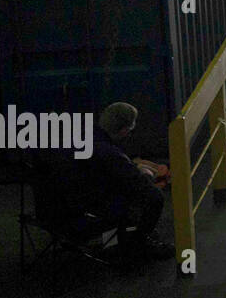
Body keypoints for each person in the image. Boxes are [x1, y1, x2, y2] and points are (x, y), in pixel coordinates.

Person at [60, 102, 173, 261]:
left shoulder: (84, 137)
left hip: (67, 202)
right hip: (95, 205)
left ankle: (121, 238)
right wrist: (146, 173)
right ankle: (138, 245)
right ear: (124, 130)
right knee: (154, 196)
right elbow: (138, 183)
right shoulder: (110, 153)